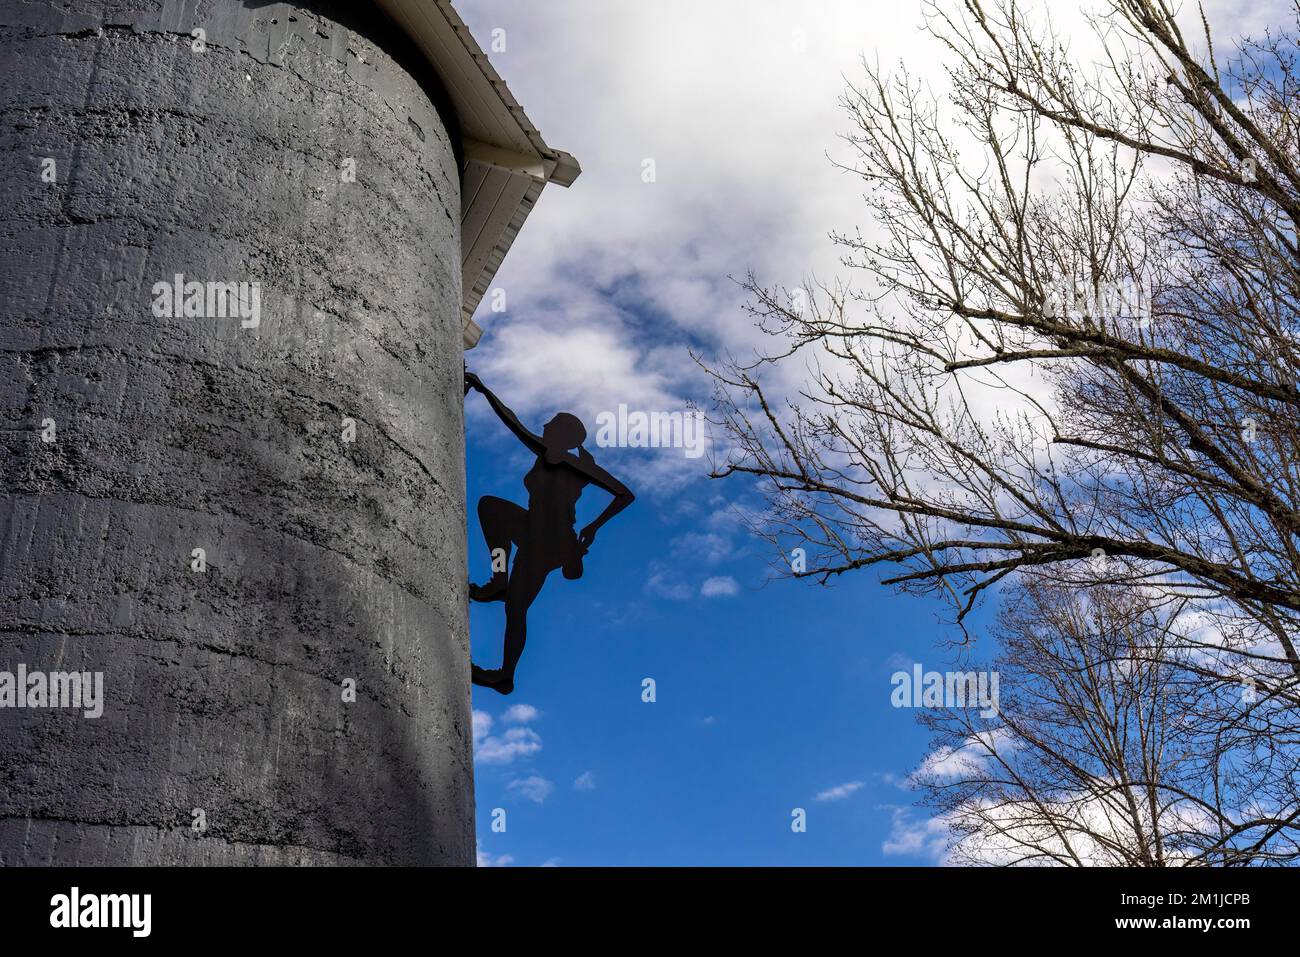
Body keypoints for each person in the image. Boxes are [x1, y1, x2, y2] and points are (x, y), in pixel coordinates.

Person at [464, 370, 634, 694]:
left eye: (551, 422)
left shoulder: (574, 463)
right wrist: (485, 391)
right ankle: (499, 578)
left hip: (552, 540)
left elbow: (625, 494)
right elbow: (514, 422)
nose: (544, 425)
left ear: (562, 433)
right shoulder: (548, 453)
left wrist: (594, 527)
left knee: (515, 608)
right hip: (532, 528)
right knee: (491, 508)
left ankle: (505, 676)